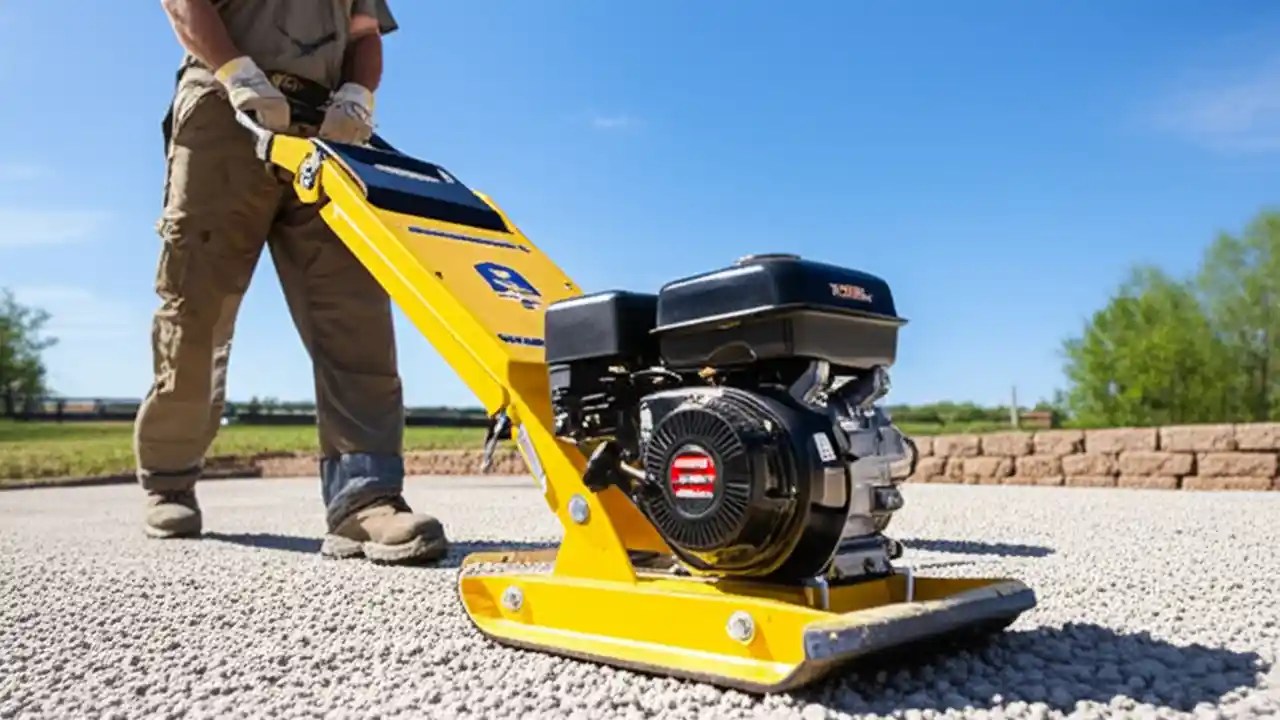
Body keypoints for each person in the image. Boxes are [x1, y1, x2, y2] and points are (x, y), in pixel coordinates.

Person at [136, 0, 448, 565]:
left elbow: (364, 33)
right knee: (198, 309)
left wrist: (358, 96)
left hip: (327, 129)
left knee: (354, 311)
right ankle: (169, 476)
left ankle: (365, 497)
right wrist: (238, 73)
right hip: (225, 111)